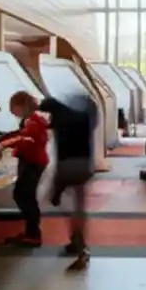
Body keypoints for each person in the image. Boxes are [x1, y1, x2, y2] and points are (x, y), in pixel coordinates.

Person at [39, 91, 98, 271]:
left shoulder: (60, 118)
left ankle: (79, 245)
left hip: (67, 166)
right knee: (79, 206)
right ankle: (79, 244)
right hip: (85, 165)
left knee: (66, 206)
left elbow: (47, 114)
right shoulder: (84, 117)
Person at [0, 91, 49, 247]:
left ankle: (33, 233)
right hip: (33, 160)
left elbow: (25, 138)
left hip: (32, 162)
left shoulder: (33, 122)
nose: (11, 111)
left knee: (23, 195)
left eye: (13, 107)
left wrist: (4, 144)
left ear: (21, 106)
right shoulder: (33, 120)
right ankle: (31, 231)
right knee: (25, 195)